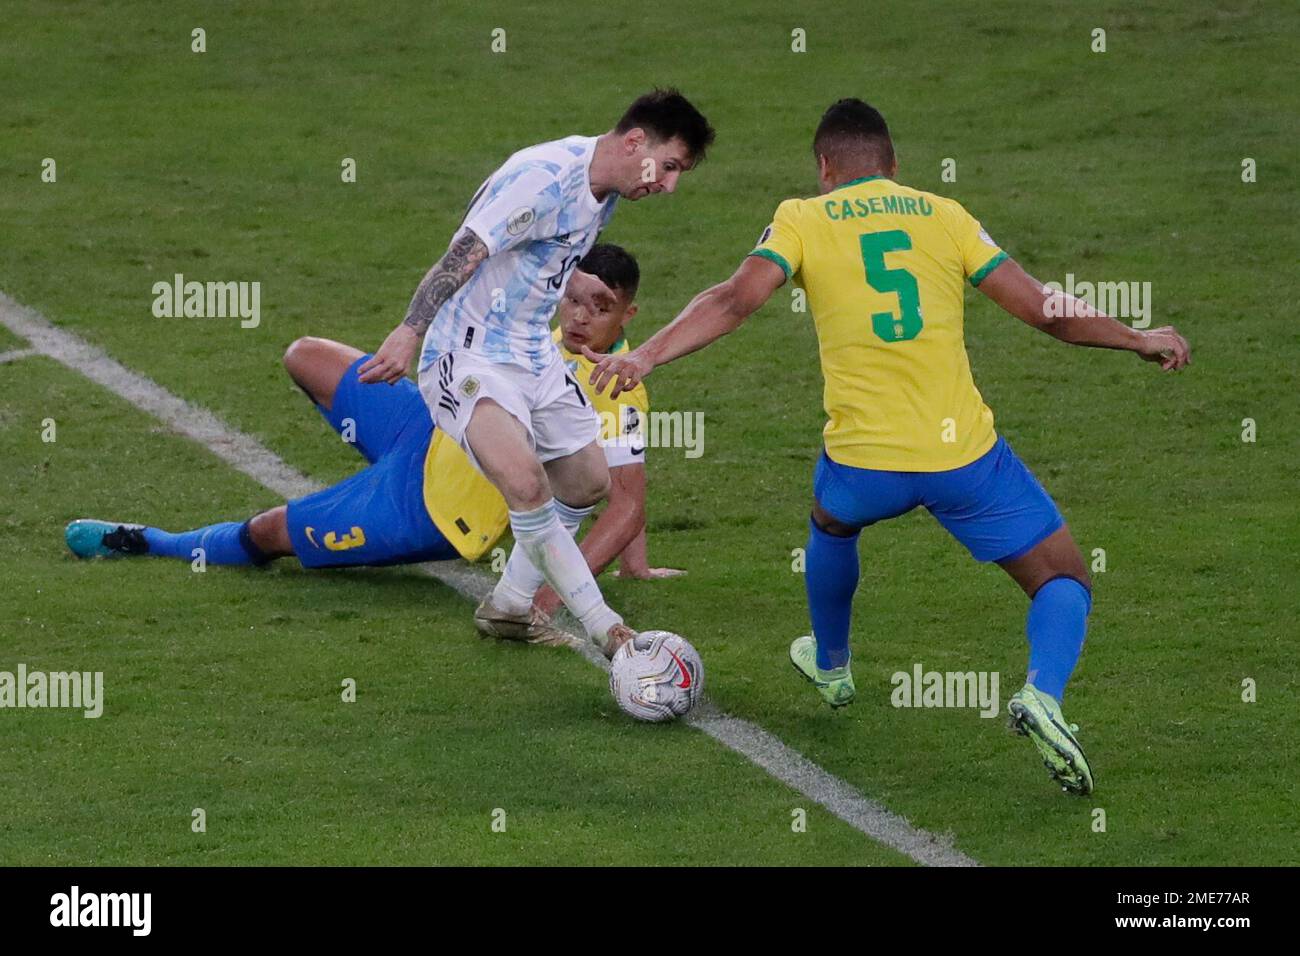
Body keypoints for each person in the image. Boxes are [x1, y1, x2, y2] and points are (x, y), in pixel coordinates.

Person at [586, 98, 1190, 794]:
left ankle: (833, 663)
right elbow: (1045, 311)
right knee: (1063, 580)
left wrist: (648, 356)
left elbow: (734, 299)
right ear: (895, 167)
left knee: (831, 520)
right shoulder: (945, 215)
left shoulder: (802, 218)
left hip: (864, 465)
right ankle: (1043, 695)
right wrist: (1138, 338)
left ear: (824, 168)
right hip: (963, 459)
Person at [67, 247, 679, 645]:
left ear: (627, 316)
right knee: (303, 355)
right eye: (573, 299)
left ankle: (150, 541)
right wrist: (636, 566)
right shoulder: (538, 341)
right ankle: (370, 445)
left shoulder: (616, 392)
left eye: (600, 308)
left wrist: (546, 599)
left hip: (428, 506)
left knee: (270, 532)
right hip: (427, 423)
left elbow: (623, 501)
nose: (579, 316)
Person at [357, 89, 713, 659]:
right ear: (633, 142)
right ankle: (609, 630)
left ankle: (507, 607)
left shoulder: (604, 192)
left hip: (529, 353)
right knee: (526, 484)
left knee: (587, 481)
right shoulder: (542, 179)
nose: (669, 185)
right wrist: (409, 329)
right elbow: (464, 253)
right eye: (669, 167)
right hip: (466, 354)